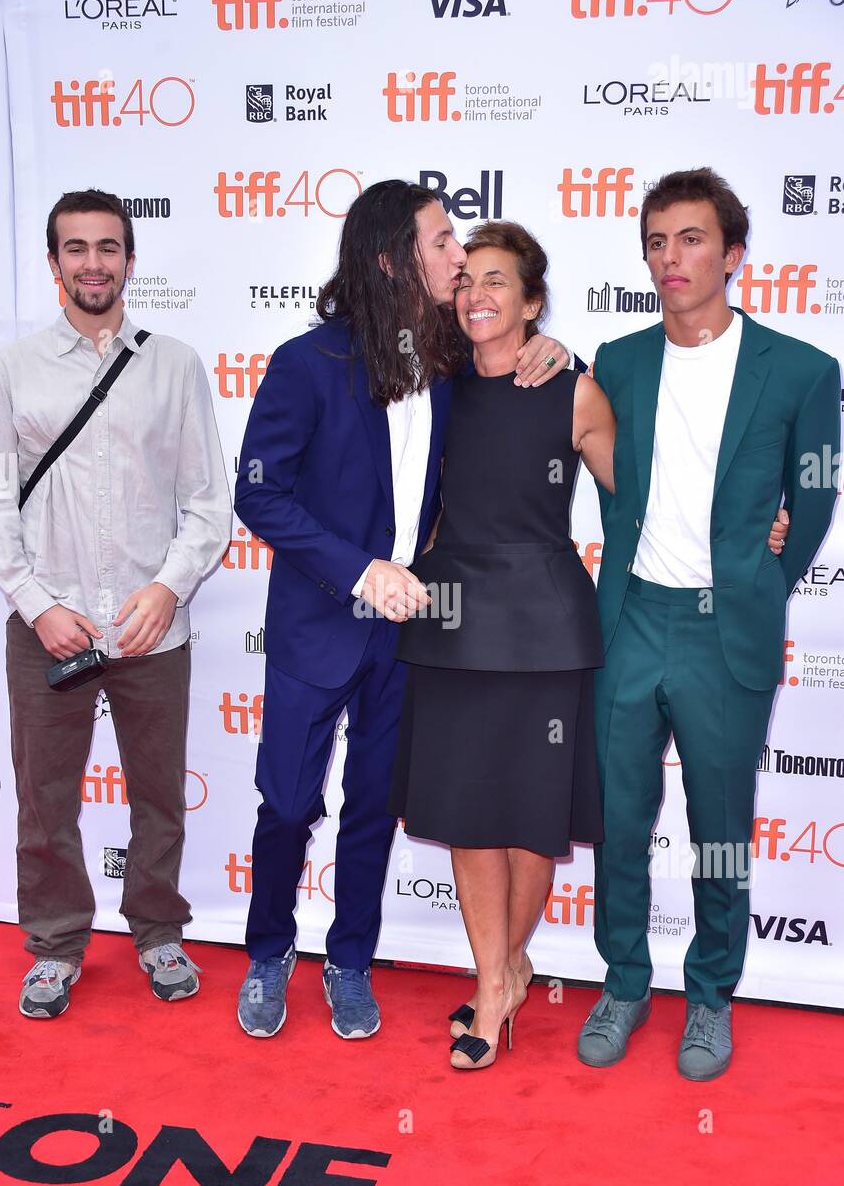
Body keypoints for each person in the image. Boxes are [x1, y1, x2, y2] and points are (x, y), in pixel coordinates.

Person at [233, 180, 571, 1041]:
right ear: (392, 258)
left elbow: (518, 374)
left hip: (411, 638)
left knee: (375, 805)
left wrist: (552, 348)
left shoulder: (452, 362)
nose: (460, 259)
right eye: (443, 242)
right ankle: (269, 952)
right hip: (317, 626)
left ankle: (350, 961)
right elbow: (260, 494)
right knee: (287, 802)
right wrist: (359, 571)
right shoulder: (306, 364)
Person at [577, 167, 840, 1080]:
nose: (669, 258)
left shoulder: (803, 371)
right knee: (617, 817)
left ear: (732, 254)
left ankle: (712, 995)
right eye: (656, 241)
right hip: (630, 621)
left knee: (719, 825)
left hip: (724, 630)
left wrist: (766, 570)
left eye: (690, 239)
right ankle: (622, 980)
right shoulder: (617, 361)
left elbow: (814, 493)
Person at [0, 188, 232, 1017]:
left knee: (158, 795)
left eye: (108, 248)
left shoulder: (176, 364)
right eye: (76, 249)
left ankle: (158, 932)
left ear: (129, 259)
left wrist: (168, 587)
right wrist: (35, 603)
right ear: (54, 264)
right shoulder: (9, 370)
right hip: (47, 627)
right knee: (46, 801)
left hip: (152, 629)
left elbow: (208, 500)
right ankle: (54, 945)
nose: (94, 263)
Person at [388, 221, 615, 1069]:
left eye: (498, 280)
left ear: (531, 300)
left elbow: (640, 499)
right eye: (466, 279)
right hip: (448, 619)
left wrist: (755, 525)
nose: (477, 293)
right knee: (467, 816)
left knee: (527, 814)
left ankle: (501, 977)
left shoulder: (572, 387)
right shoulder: (433, 387)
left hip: (547, 626)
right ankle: (497, 978)